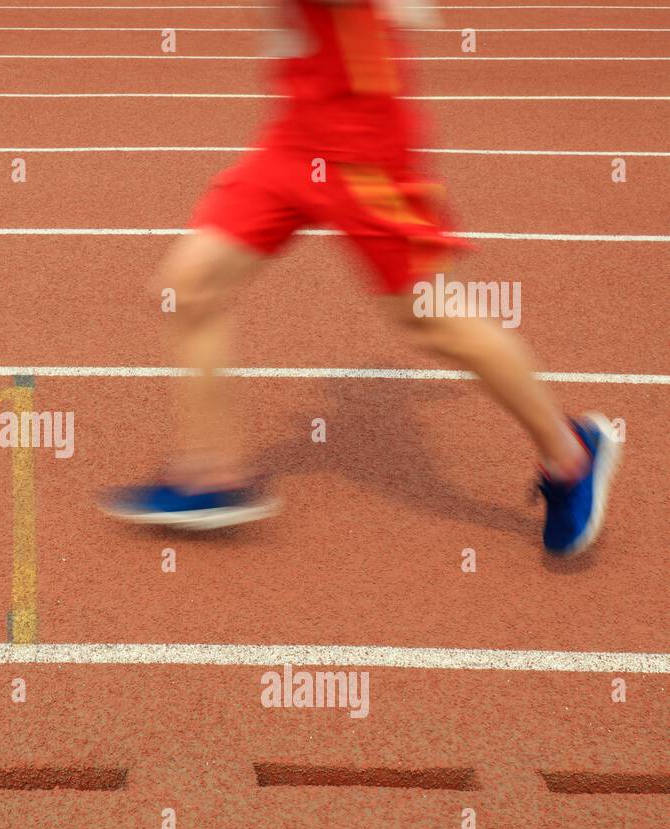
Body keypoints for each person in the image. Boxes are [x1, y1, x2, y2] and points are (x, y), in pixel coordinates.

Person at [99, 0, 619, 555]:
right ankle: (210, 477)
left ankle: (571, 455)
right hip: (296, 135)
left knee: (430, 318)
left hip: (362, 145)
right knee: (188, 288)